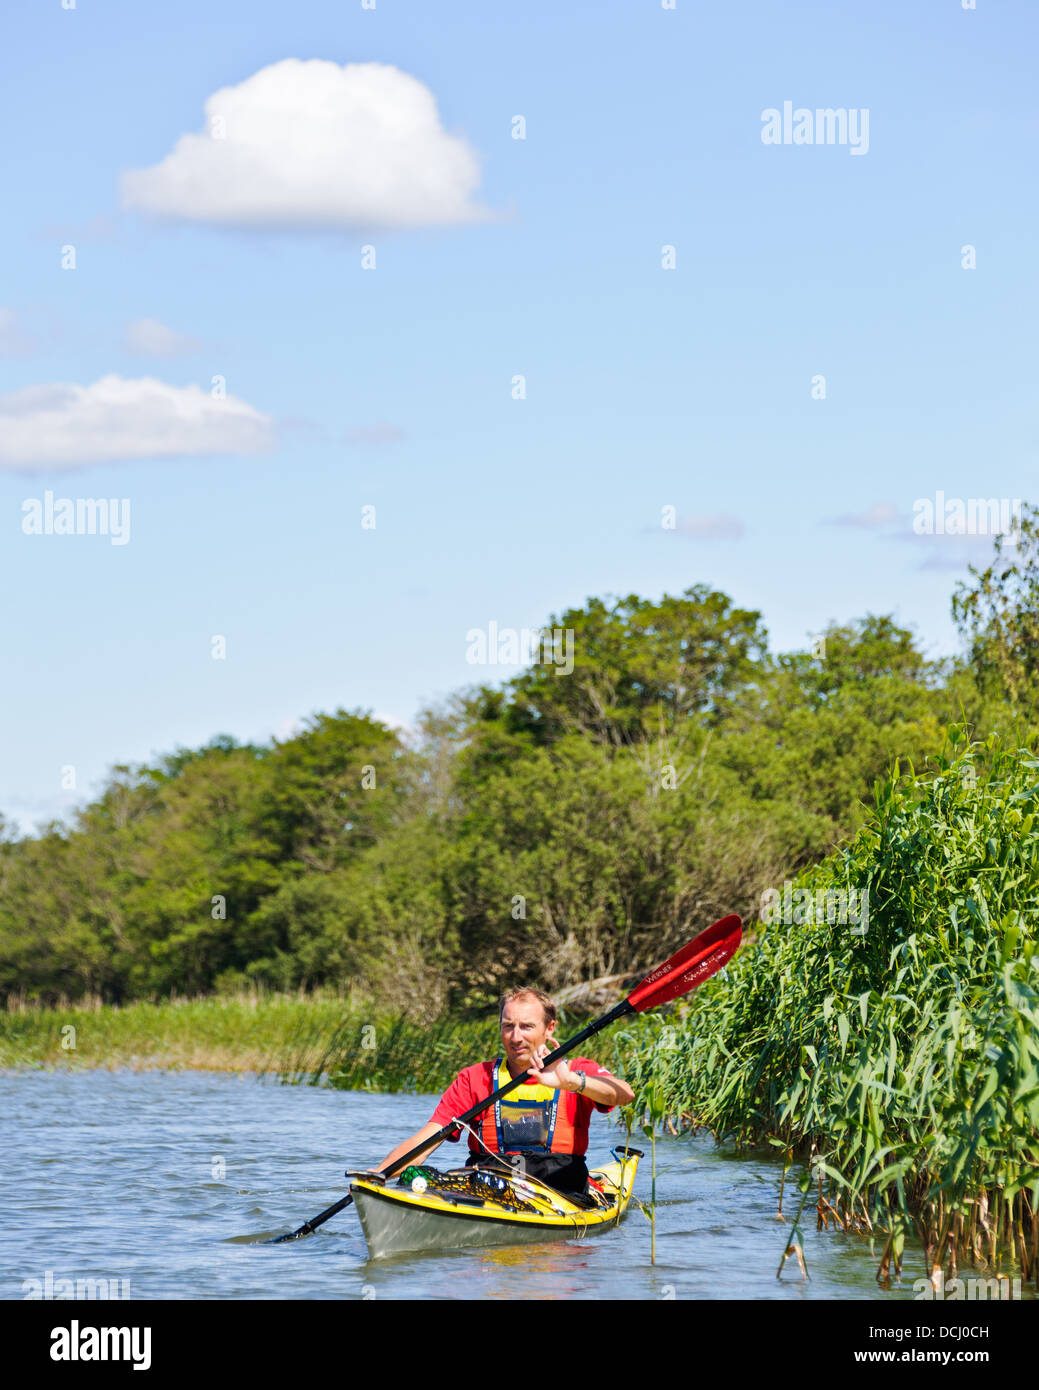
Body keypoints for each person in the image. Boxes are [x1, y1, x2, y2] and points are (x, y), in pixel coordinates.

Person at [374, 986, 635, 1195]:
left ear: (550, 1028)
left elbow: (624, 1094)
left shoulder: (576, 1070)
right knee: (415, 1180)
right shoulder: (475, 1078)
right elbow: (425, 1141)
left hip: (560, 1194)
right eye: (508, 1026)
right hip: (487, 1192)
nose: (515, 1037)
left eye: (527, 1026)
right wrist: (375, 1177)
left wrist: (572, 1083)